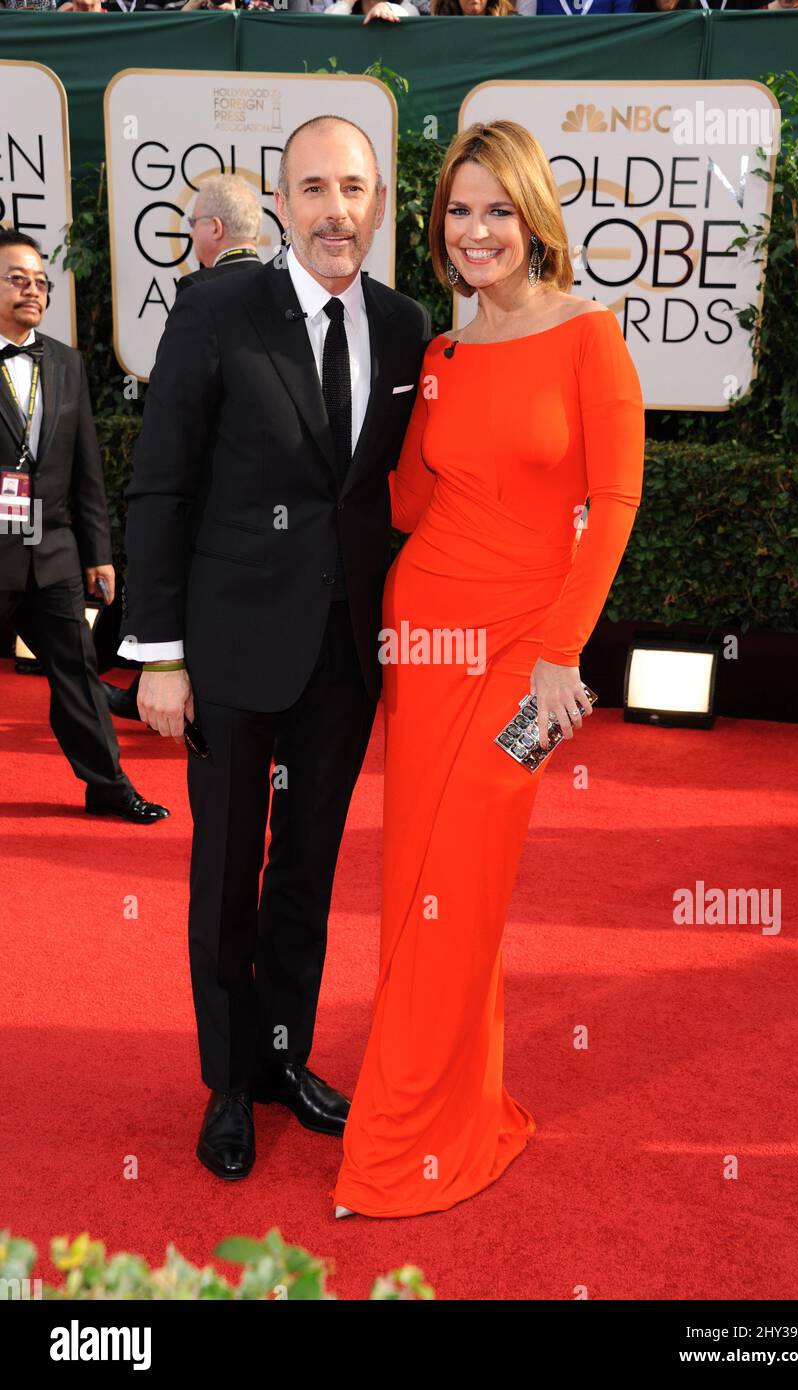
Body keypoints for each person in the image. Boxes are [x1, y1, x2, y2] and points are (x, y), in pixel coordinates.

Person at [329, 119, 644, 1219]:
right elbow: (407, 500)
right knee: (415, 882)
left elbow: (614, 504)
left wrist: (561, 651)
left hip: (526, 660)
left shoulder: (589, 337)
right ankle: (460, 1109)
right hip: (425, 643)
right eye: (458, 213)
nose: (476, 231)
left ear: (533, 217)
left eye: (496, 210)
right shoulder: (442, 356)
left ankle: (399, 1145)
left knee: (458, 886)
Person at [118, 115, 432, 1181]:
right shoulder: (216, 311)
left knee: (308, 870)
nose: (336, 209)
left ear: (379, 202)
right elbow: (161, 482)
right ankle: (225, 1080)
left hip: (343, 658)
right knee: (225, 876)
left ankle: (283, 1059)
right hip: (230, 650)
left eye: (354, 188)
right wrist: (158, 652)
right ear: (285, 205)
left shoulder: (403, 326)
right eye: (313, 188)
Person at [0, 229, 168, 824]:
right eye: (17, 279)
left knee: (77, 673)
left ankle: (108, 787)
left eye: (41, 281)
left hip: (54, 553)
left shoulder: (65, 362)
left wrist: (99, 553)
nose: (33, 290)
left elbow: (85, 466)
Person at [105, 174, 264, 721]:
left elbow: (169, 444)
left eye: (193, 224)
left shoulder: (199, 300)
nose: (192, 235)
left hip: (208, 523)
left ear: (214, 228)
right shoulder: (287, 298)